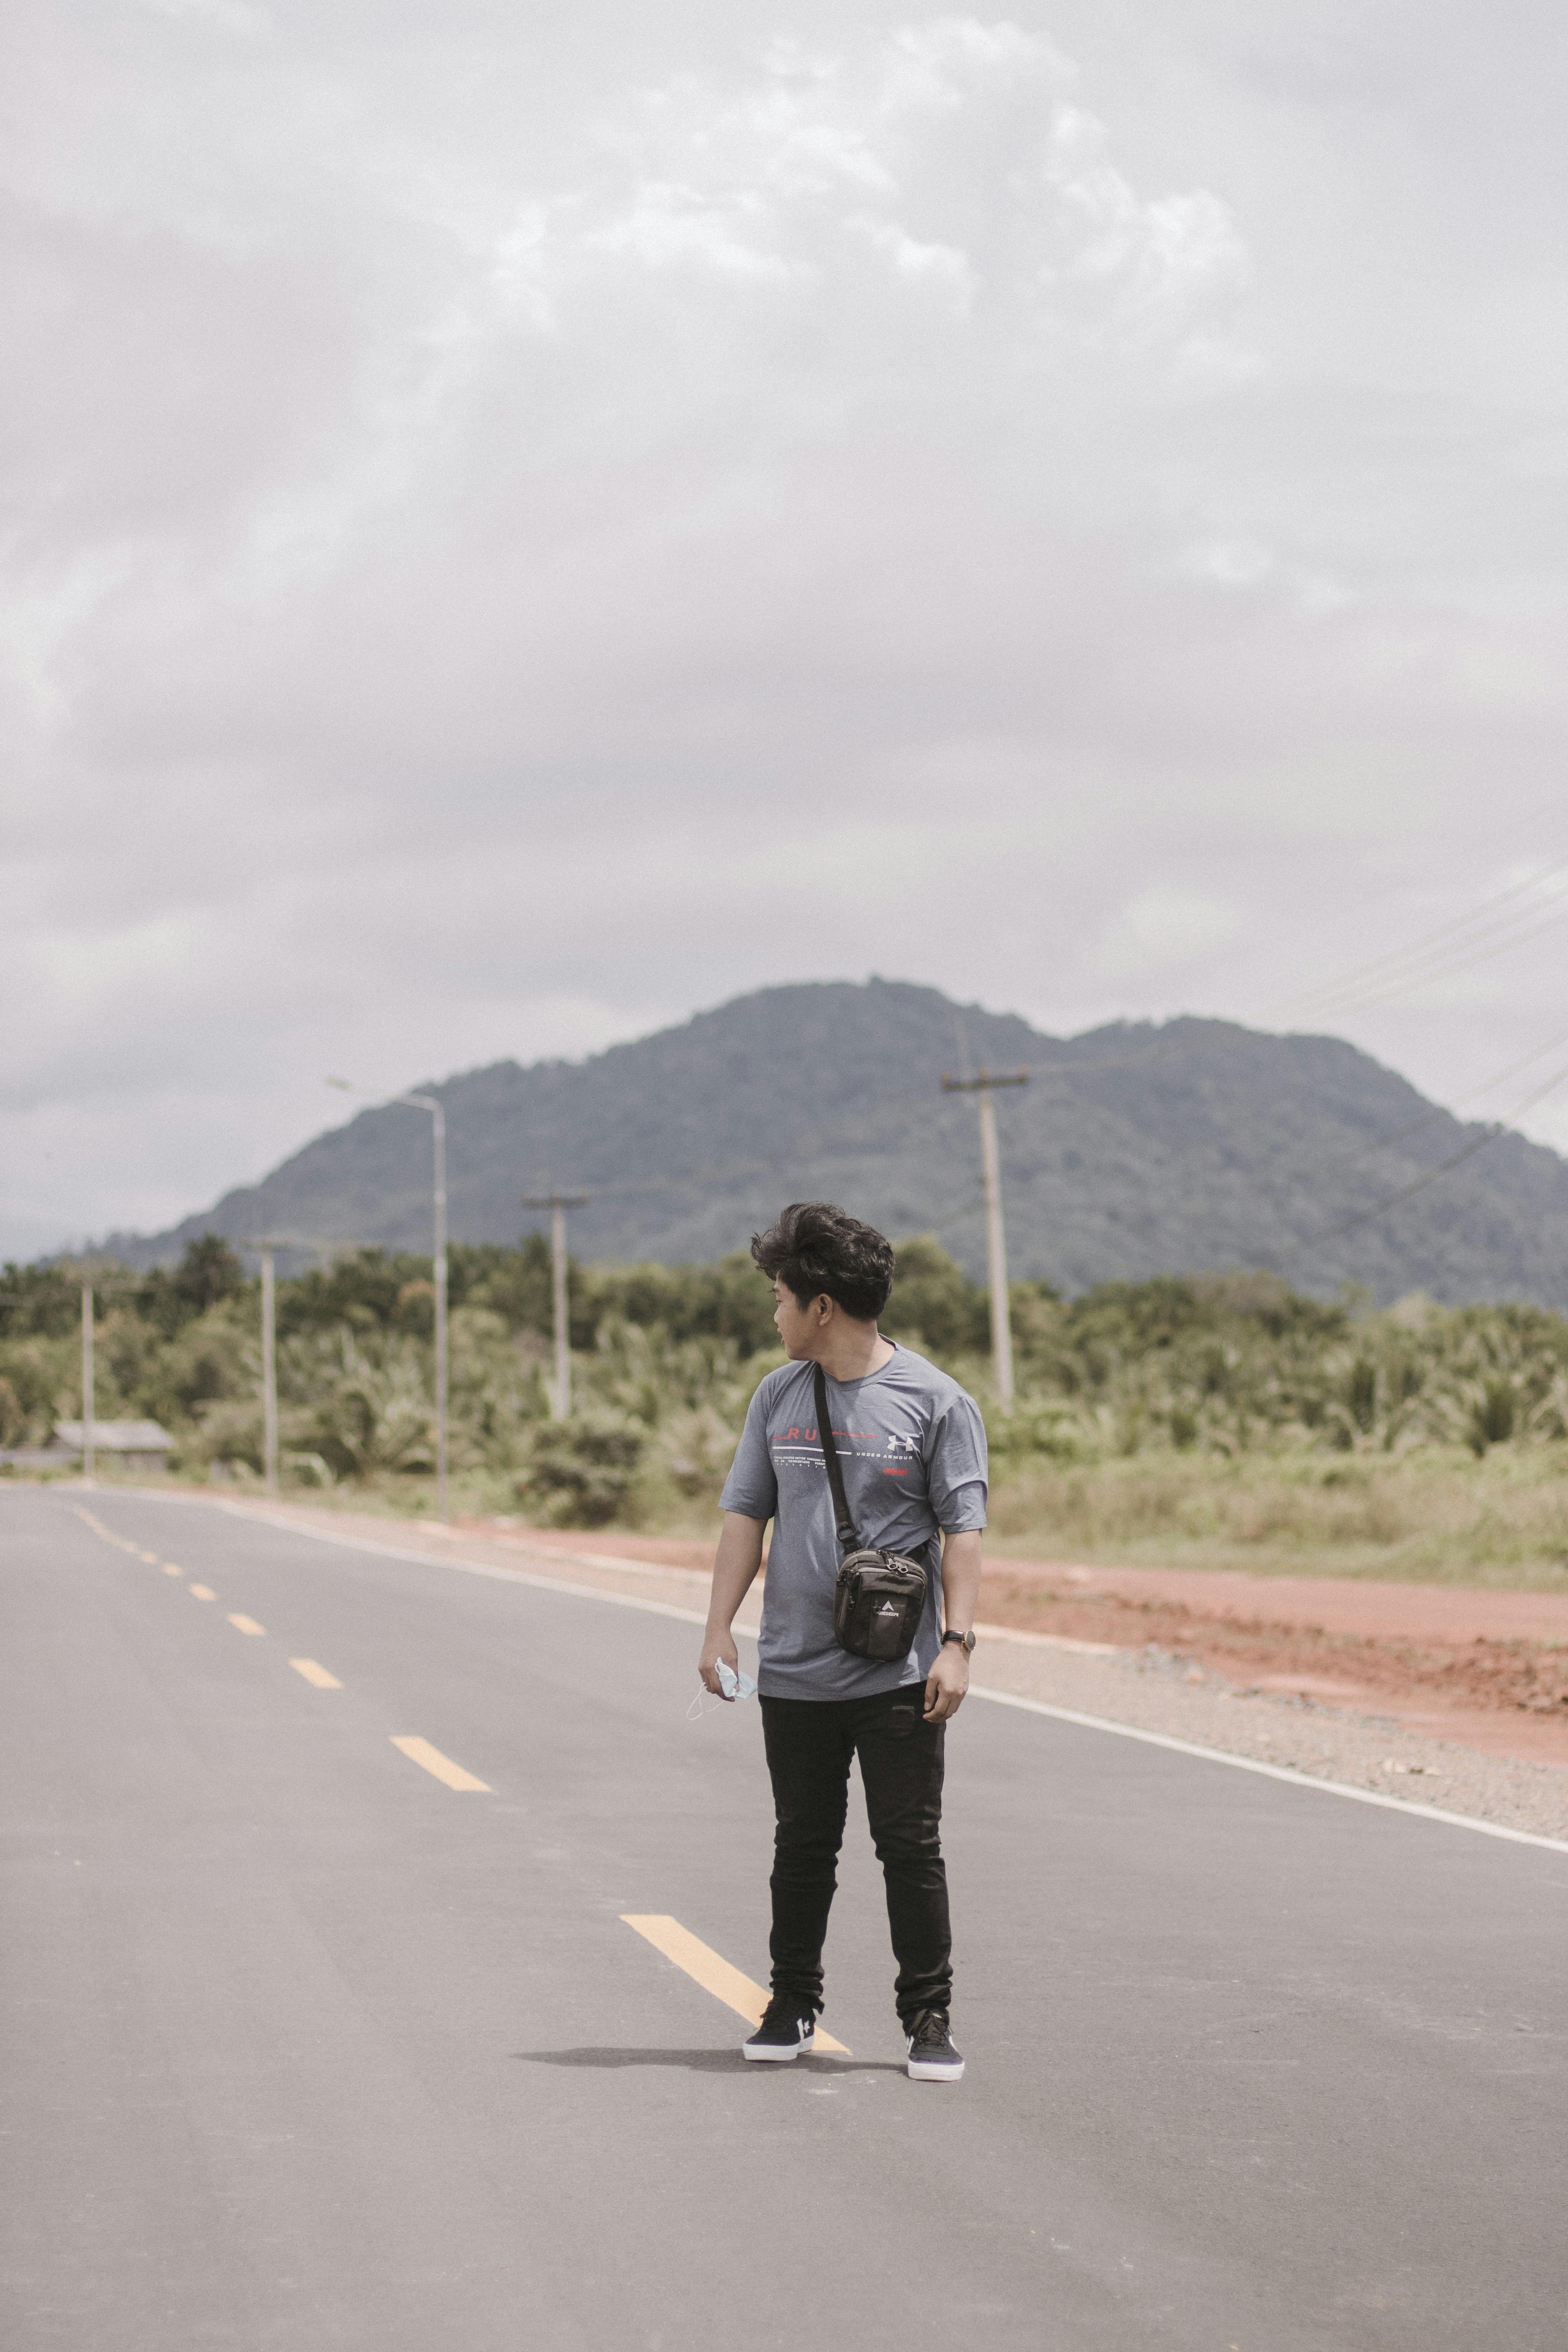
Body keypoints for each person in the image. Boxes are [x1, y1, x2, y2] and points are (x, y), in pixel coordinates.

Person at [699, 1200, 987, 2083]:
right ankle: (791, 2004)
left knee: (909, 1844)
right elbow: (747, 1516)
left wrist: (959, 1644)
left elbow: (962, 1530)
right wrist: (717, 1627)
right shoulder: (778, 1397)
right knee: (803, 1843)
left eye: (782, 1297)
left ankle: (928, 2016)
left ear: (822, 1304)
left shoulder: (937, 1401)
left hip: (901, 1672)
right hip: (793, 1669)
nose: (774, 1313)